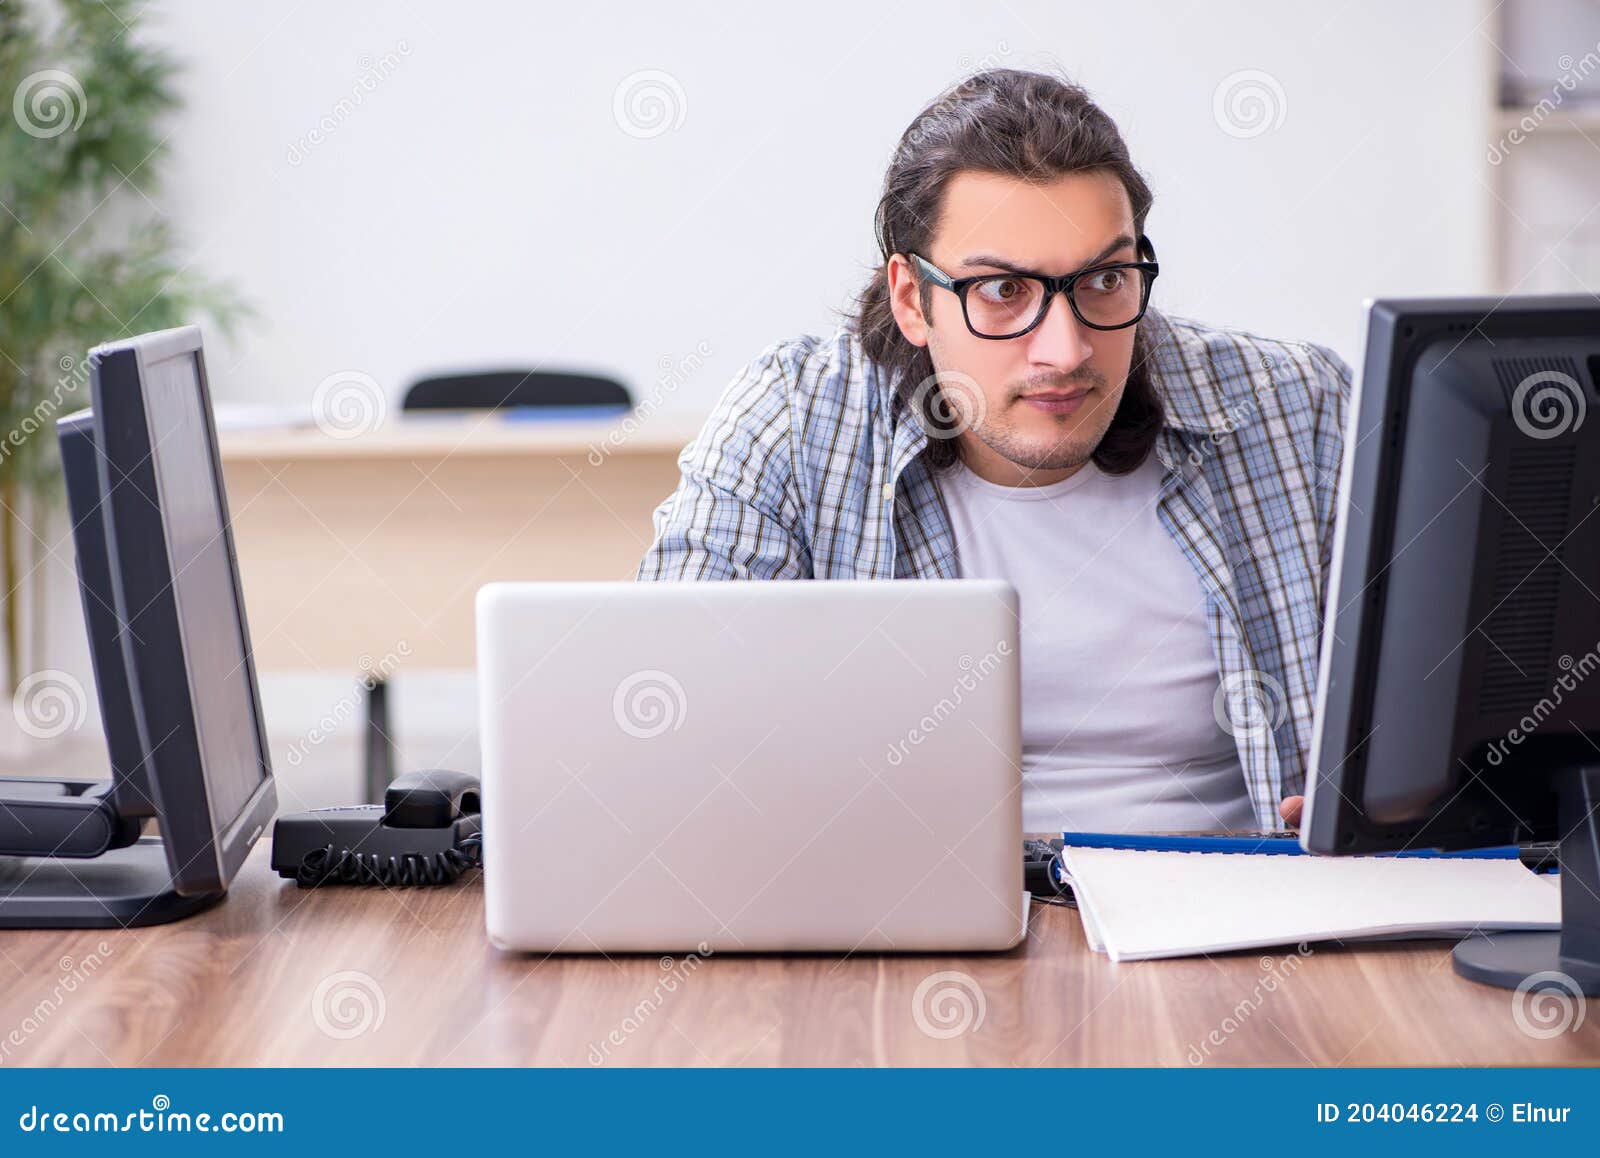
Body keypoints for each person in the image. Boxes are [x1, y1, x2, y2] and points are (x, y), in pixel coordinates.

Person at [638, 70, 1346, 835]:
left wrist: (1397, 805)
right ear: (912, 300)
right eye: (1004, 291)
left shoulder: (1299, 406)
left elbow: (1435, 705)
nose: (1065, 351)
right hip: (911, 897)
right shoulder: (795, 414)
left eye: (1105, 279)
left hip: (1236, 894)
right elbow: (668, 724)